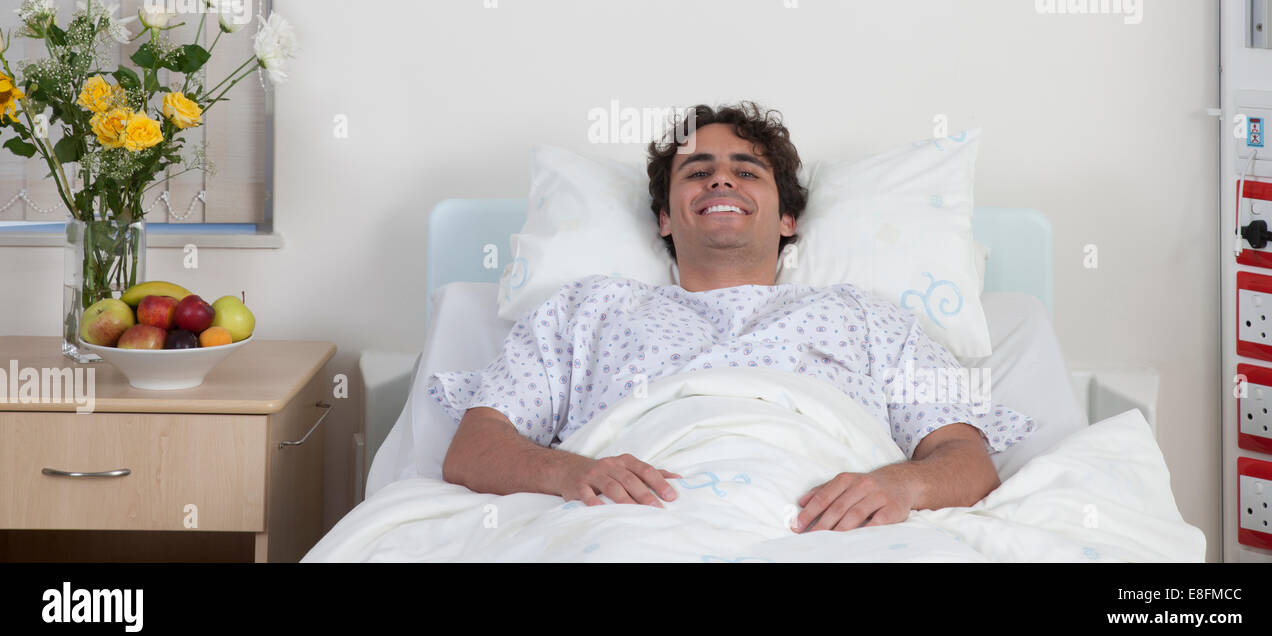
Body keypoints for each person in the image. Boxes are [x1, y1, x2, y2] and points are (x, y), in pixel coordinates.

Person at [433, 102, 1034, 532]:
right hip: (632, 527)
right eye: (697, 172)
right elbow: (473, 448)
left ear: (786, 220)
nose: (722, 176)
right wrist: (570, 473)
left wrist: (901, 485)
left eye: (747, 171)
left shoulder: (864, 317)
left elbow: (965, 458)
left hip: (826, 528)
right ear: (665, 220)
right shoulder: (585, 309)